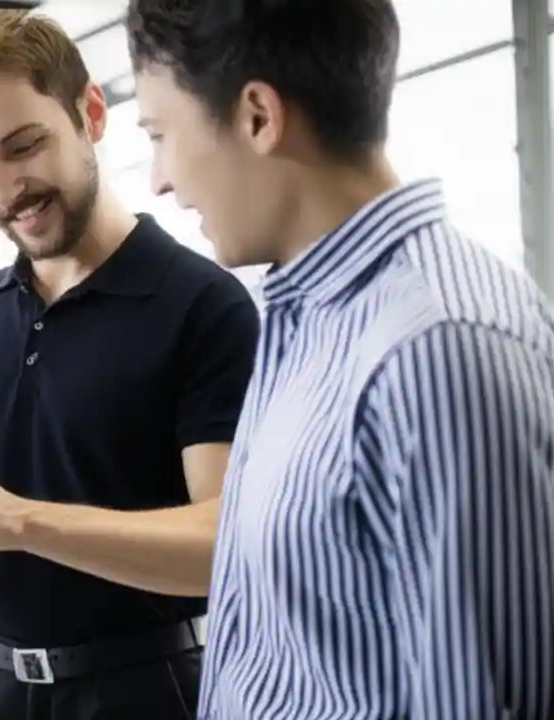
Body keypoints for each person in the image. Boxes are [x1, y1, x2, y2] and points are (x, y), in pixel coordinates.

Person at [122, 1, 554, 718]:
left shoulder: (439, 349)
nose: (159, 180)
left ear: (258, 115)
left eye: (161, 135)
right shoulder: (307, 317)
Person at [0, 9, 260, 719]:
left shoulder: (204, 305)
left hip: (145, 692)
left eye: (24, 147)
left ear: (91, 114)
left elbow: (224, 544)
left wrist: (17, 521)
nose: (7, 190)